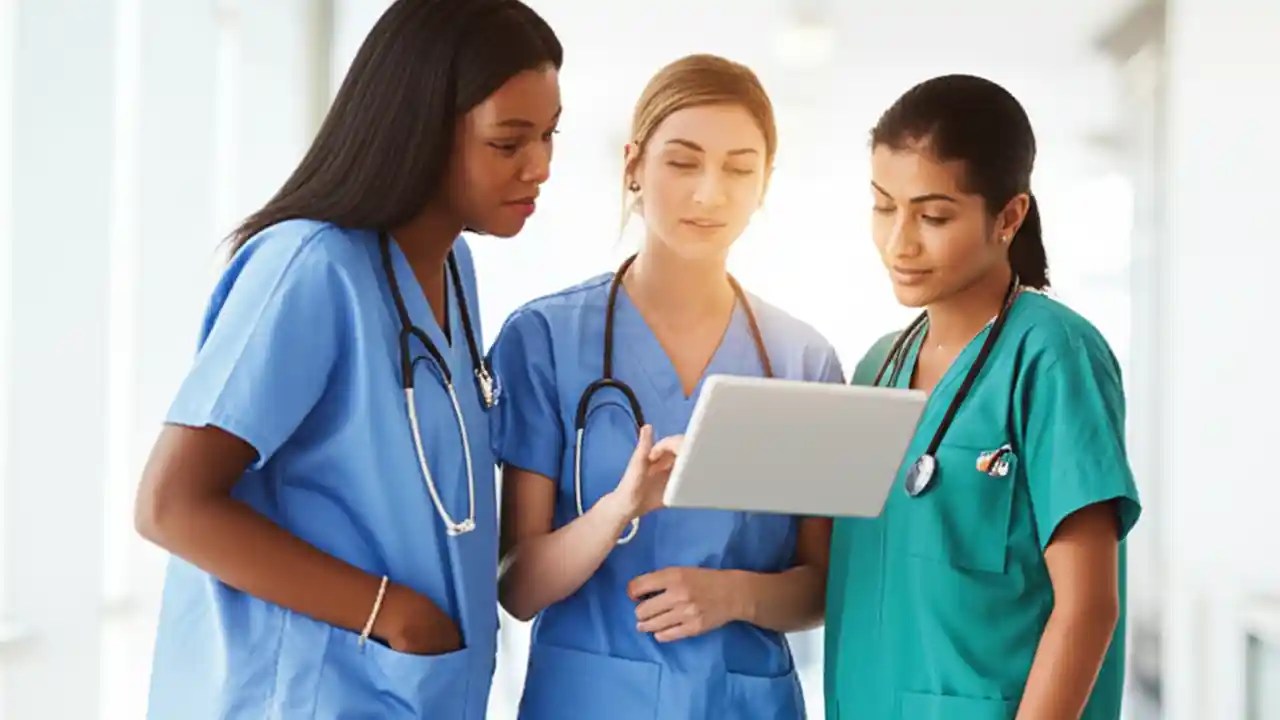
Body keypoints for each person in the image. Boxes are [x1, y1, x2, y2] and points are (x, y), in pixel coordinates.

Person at [132, 2, 561, 717]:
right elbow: (170, 505)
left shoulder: (453, 271)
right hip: (308, 691)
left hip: (414, 691)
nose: (540, 166)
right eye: (508, 142)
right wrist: (395, 615)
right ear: (421, 129)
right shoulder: (310, 266)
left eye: (549, 135)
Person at [487, 54, 842, 720]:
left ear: (765, 183)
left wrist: (735, 595)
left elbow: (822, 585)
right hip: (589, 703)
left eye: (740, 169)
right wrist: (616, 511)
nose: (710, 193)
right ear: (634, 166)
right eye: (682, 162)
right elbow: (518, 588)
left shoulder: (802, 361)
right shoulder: (545, 340)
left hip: (742, 703)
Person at [823, 74, 1143, 720]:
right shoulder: (878, 368)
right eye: (884, 207)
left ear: (1009, 217)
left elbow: (1088, 607)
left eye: (933, 216)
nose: (900, 242)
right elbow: (837, 578)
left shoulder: (1052, 355)